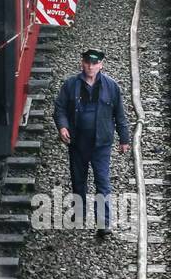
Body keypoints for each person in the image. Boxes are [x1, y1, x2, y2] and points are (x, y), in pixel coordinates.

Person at [53, 49, 131, 236]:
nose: (90, 66)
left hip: (101, 144)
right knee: (78, 180)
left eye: (94, 63)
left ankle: (103, 223)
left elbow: (119, 114)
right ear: (82, 63)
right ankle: (79, 214)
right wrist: (62, 127)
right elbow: (60, 109)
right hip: (77, 142)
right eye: (87, 62)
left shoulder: (111, 87)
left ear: (101, 65)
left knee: (102, 182)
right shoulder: (71, 85)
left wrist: (124, 139)